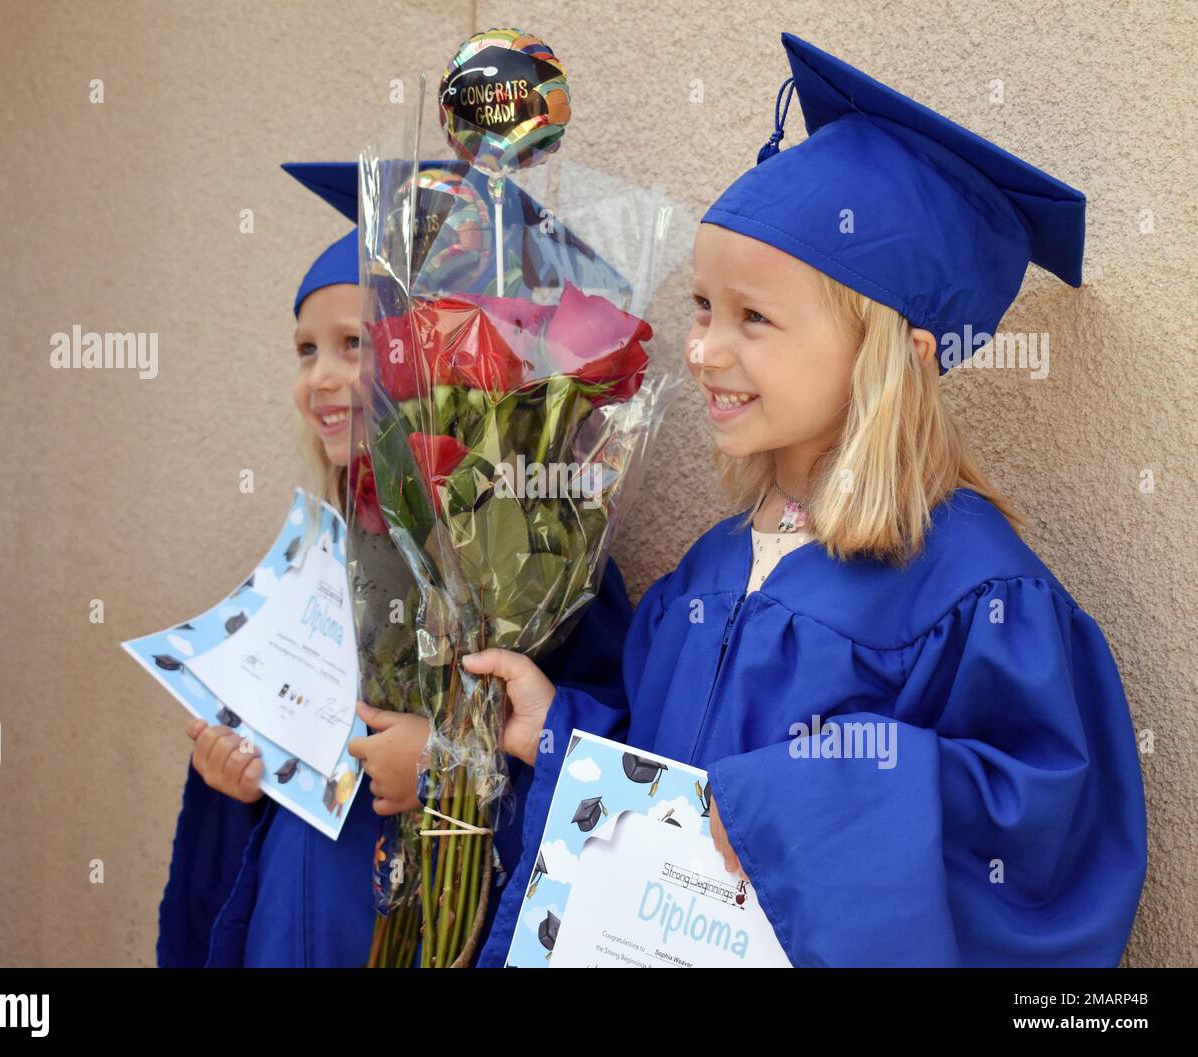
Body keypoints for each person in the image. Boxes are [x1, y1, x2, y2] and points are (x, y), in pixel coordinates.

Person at [469, 33, 1147, 968]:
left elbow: (1041, 844)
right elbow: (672, 788)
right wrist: (561, 732)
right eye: (703, 306)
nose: (702, 351)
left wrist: (812, 801)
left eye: (755, 318)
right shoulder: (707, 570)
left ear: (891, 355)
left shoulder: (975, 586)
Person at [156, 162, 631, 967]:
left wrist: (448, 772)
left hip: (435, 923)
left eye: (356, 344)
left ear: (449, 369)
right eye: (306, 349)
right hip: (293, 915)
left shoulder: (541, 557)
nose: (321, 378)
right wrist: (233, 776)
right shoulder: (327, 544)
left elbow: (597, 767)